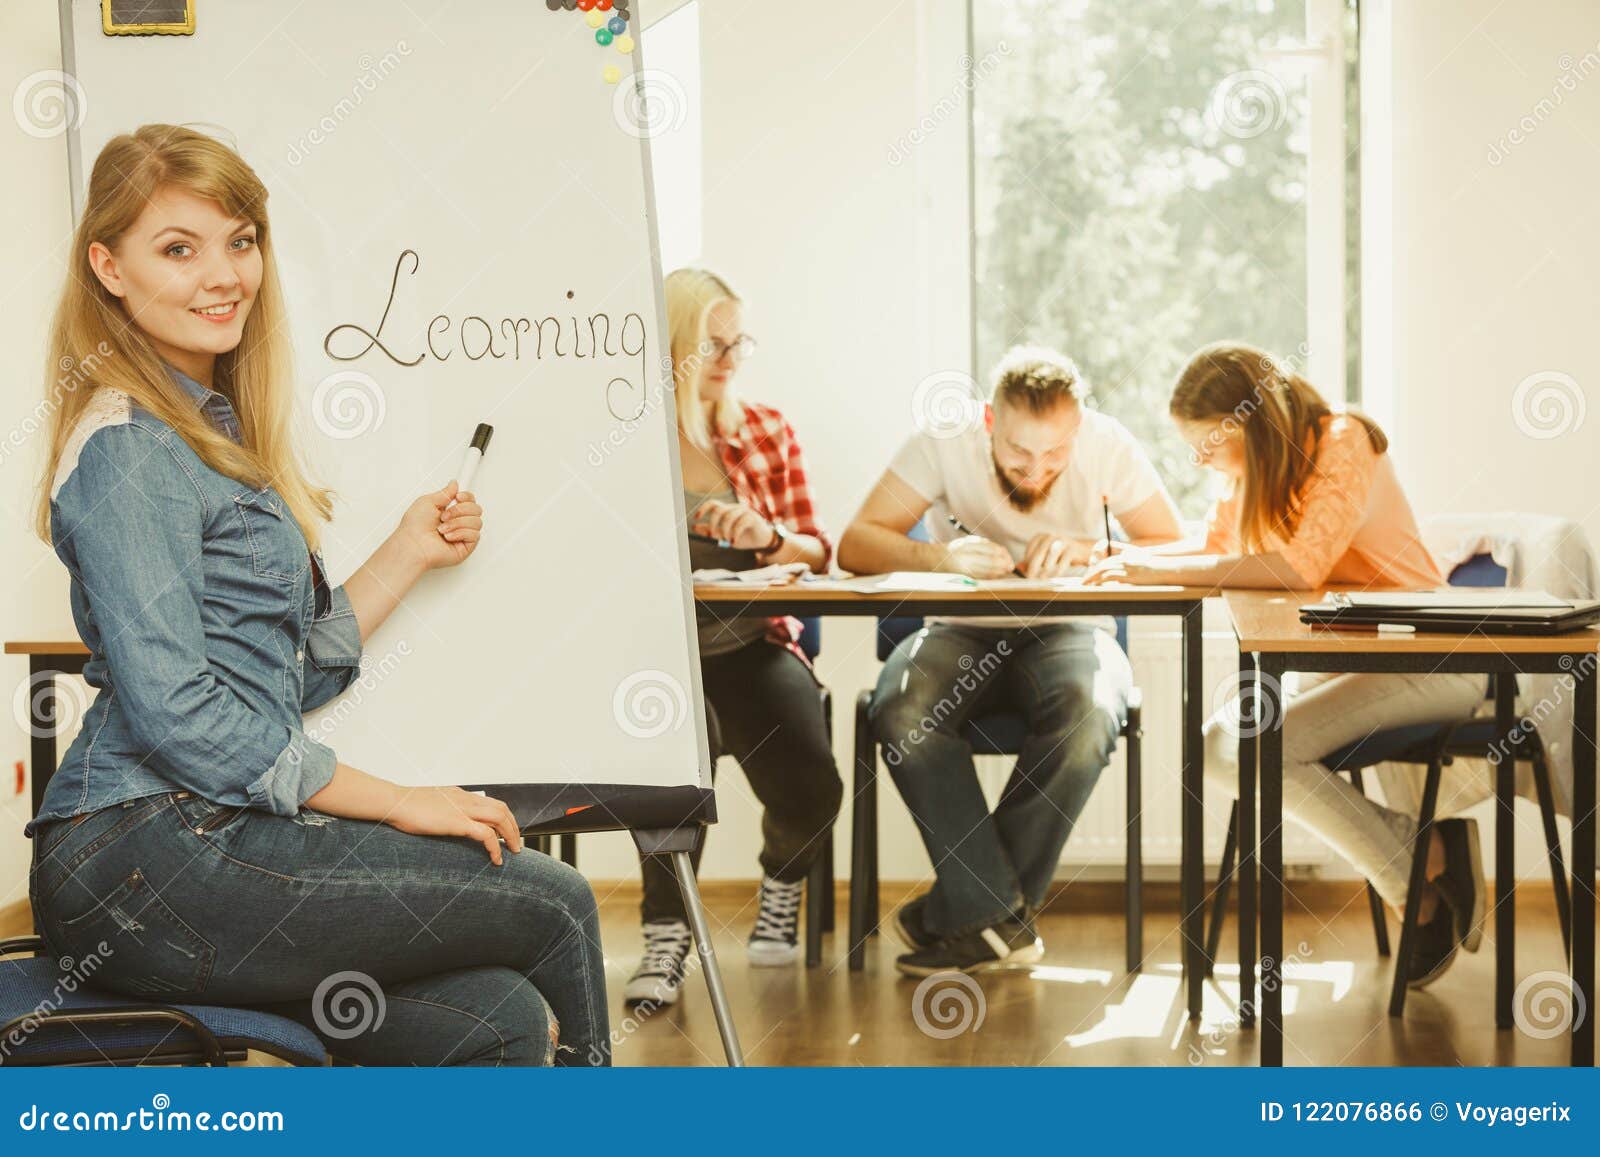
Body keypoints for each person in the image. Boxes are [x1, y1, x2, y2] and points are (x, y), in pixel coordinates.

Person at [26, 124, 608, 1066]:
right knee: (556, 899)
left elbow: (282, 672)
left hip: (200, 842)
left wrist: (406, 551)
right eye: (179, 248)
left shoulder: (206, 433)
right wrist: (394, 799)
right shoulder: (129, 448)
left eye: (240, 241)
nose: (224, 275)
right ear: (109, 267)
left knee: (491, 1017)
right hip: (144, 855)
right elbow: (181, 715)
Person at [1085, 340, 1487, 986]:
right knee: (1219, 746)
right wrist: (1121, 557)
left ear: (1248, 423)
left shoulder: (1343, 441)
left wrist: (1152, 564)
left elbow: (1301, 567)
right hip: (1348, 666)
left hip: (1428, 659)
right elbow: (1208, 549)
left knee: (1261, 748)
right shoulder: (1250, 480)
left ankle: (1419, 882)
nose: (1203, 460)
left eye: (1210, 445)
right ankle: (1428, 852)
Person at [838, 346, 1183, 976]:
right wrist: (942, 559)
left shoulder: (1107, 443)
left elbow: (1173, 545)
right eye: (1020, 453)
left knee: (1090, 713)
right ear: (990, 423)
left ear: (1078, 431)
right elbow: (856, 545)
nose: (1037, 470)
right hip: (959, 629)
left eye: (1056, 453)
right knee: (901, 707)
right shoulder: (943, 440)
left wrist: (1087, 548)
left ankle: (958, 913)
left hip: (1069, 629)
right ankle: (997, 917)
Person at [623, 269, 843, 1007]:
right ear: (674, 346)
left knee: (813, 785)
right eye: (711, 343)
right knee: (674, 776)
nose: (729, 357)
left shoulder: (765, 429)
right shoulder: (629, 433)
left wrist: (767, 533)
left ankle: (781, 884)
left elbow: (818, 548)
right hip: (663, 652)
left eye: (738, 341)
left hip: (750, 644)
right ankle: (666, 934)